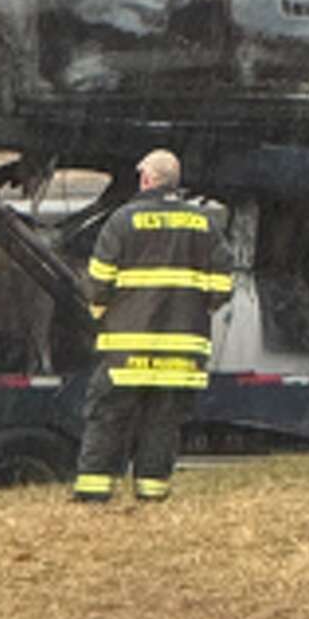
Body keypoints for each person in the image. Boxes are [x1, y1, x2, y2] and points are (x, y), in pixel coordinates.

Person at [72, 149, 233, 504]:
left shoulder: (123, 221)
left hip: (127, 351)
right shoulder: (204, 225)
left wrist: (100, 314)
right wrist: (197, 307)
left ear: (146, 179)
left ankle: (93, 493)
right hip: (182, 351)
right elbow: (223, 286)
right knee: (162, 423)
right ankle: (152, 493)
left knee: (108, 417)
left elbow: (98, 283)